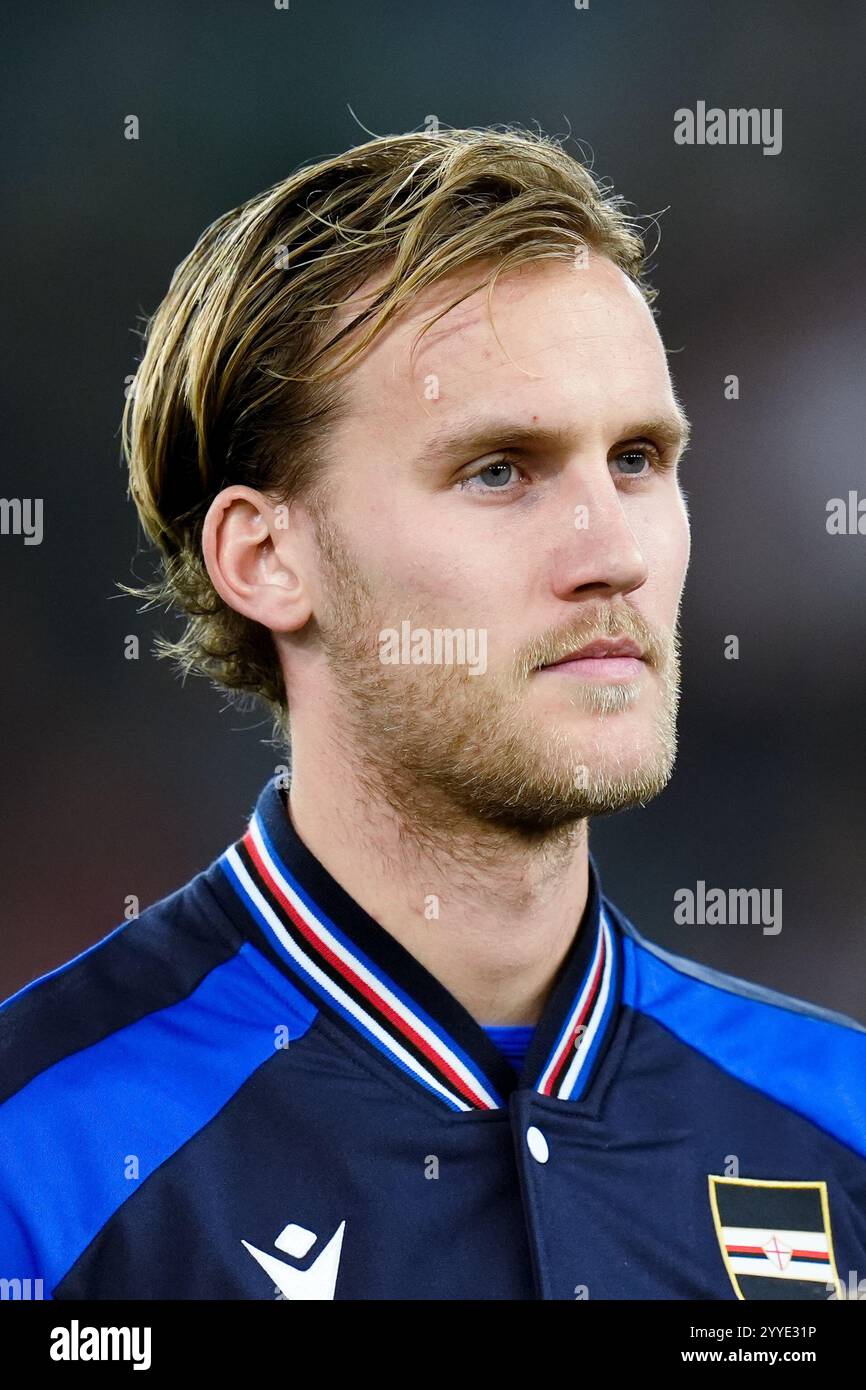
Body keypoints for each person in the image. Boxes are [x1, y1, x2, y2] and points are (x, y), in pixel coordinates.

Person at [1, 126, 864, 1301]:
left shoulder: (838, 1120)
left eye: (637, 460)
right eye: (499, 470)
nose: (610, 550)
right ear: (265, 556)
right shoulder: (38, 1159)